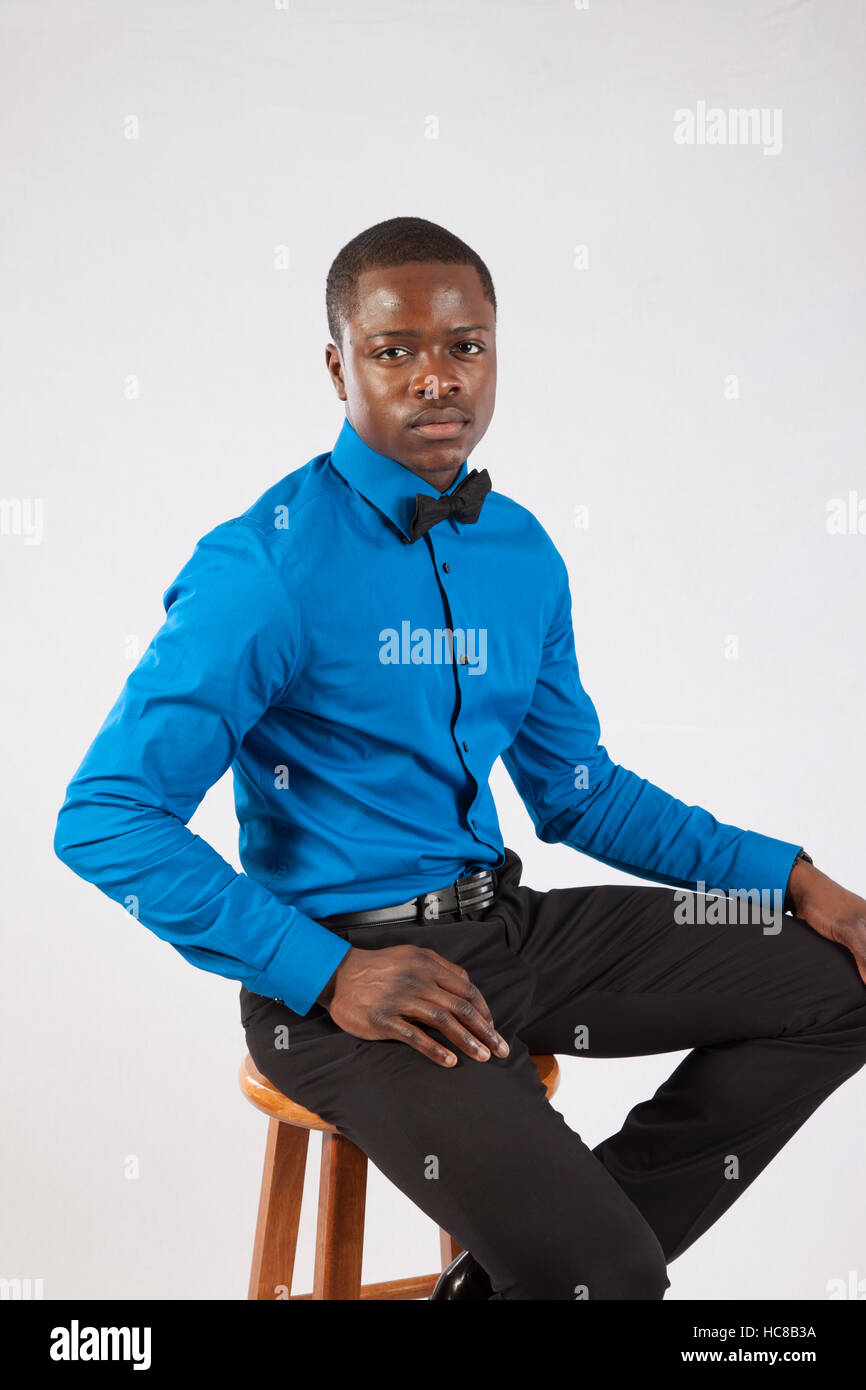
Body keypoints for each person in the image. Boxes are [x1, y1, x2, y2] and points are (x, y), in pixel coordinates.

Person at [54, 216, 866, 1301]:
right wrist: (325, 972)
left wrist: (796, 880)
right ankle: (582, 1266)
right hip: (343, 982)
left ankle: (501, 1281)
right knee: (607, 1279)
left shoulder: (519, 548)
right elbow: (106, 813)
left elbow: (578, 794)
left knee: (838, 984)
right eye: (395, 351)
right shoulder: (264, 565)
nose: (437, 377)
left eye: (465, 346)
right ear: (339, 365)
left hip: (506, 933)